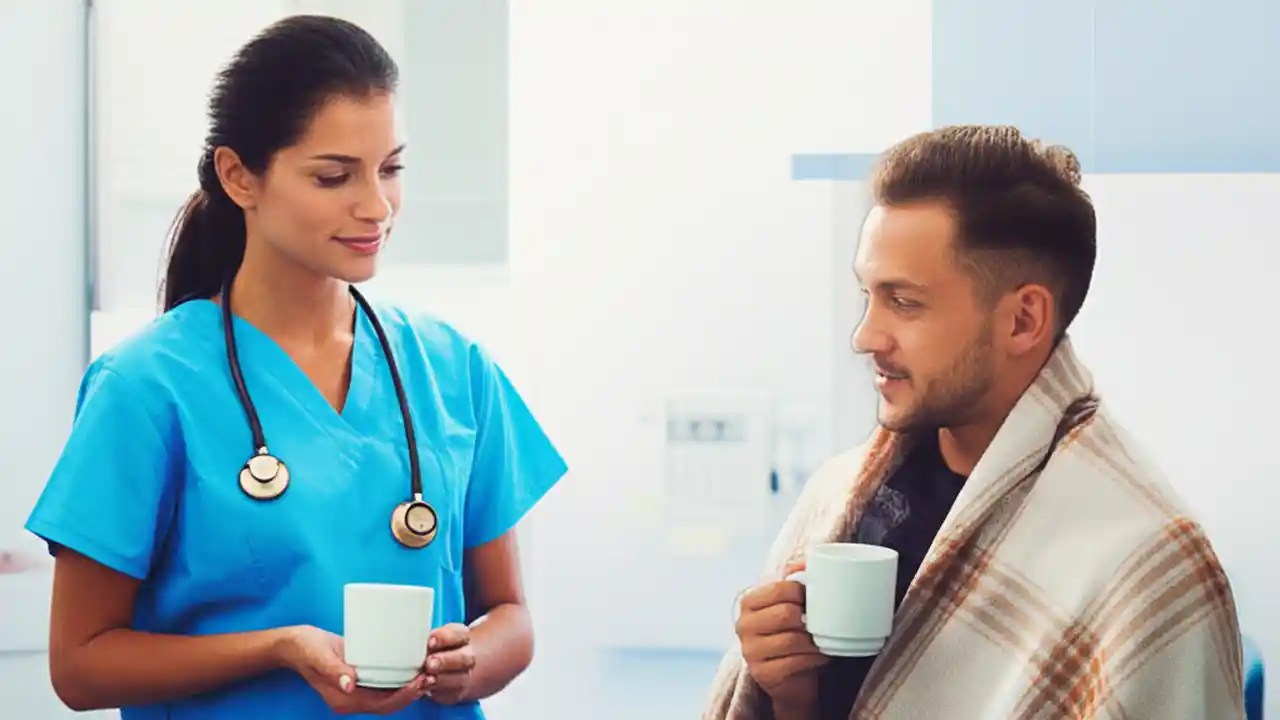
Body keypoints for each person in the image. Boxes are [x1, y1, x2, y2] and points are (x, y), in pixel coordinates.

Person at [25, 15, 566, 719]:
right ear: (239, 176)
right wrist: (278, 647)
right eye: (334, 175)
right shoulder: (146, 388)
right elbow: (81, 664)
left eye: (391, 169)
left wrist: (468, 663)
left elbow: (511, 618)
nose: (377, 205)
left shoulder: (452, 368)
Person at [704, 126, 1244, 719]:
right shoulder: (841, 493)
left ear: (1022, 320)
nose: (864, 336)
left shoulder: (1144, 565)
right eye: (868, 295)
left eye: (904, 302)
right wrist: (790, 694)